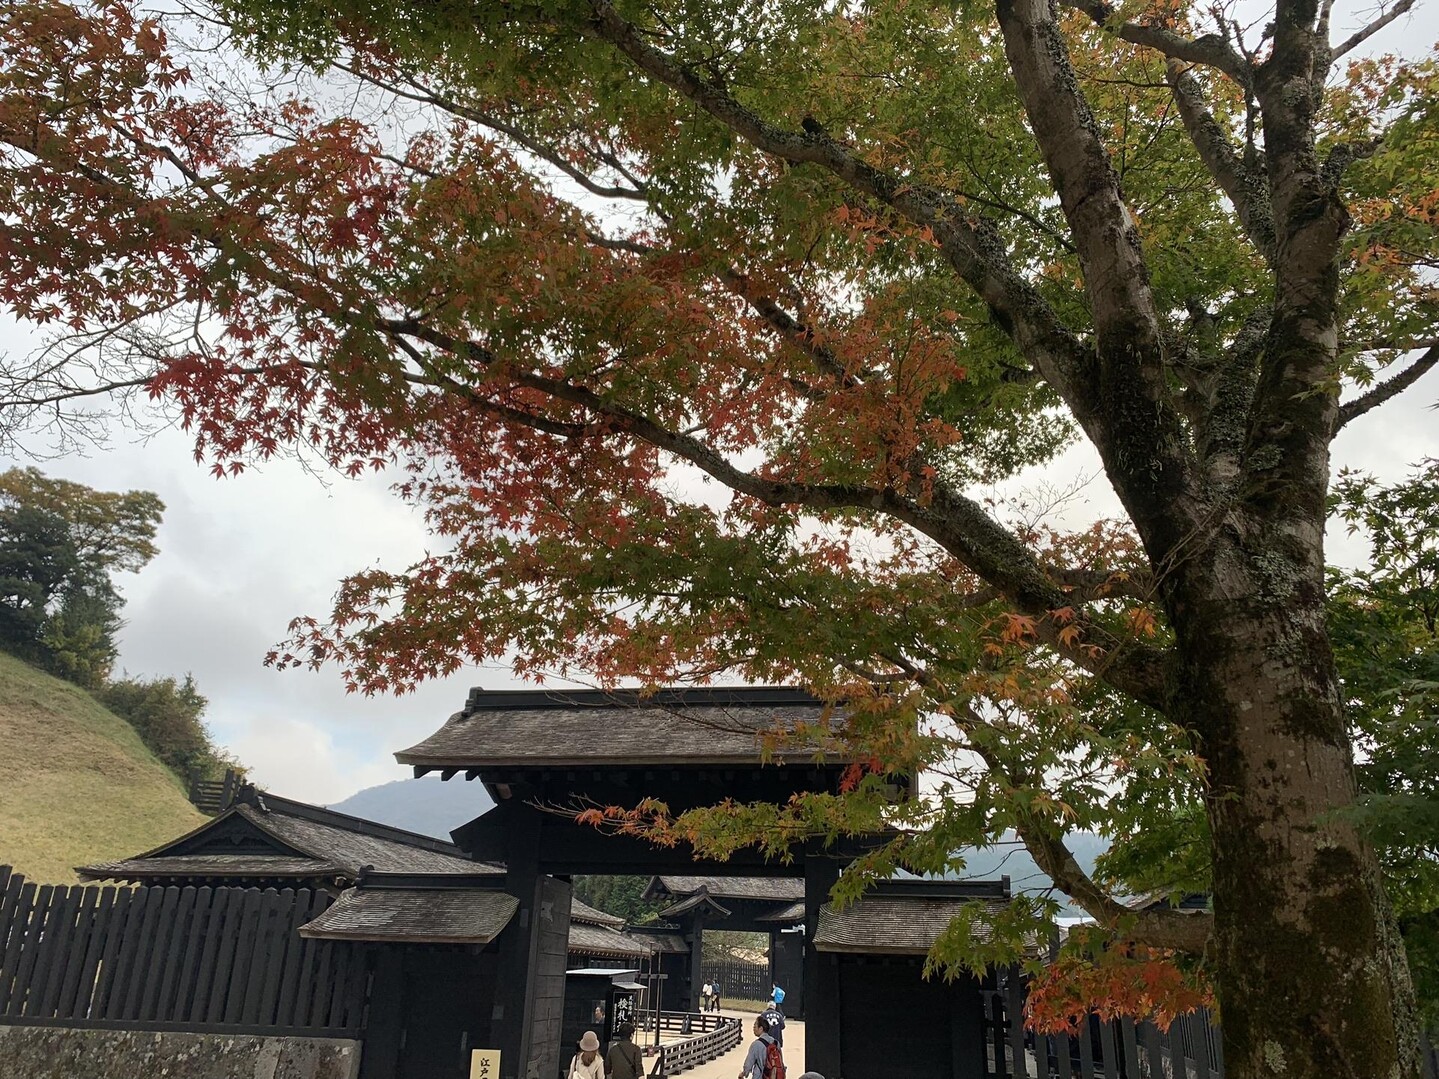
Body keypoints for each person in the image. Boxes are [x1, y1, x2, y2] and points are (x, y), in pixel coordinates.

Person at [737, 1014, 784, 1079]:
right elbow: (781, 1061)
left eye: (755, 1026)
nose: (753, 1028)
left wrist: (743, 1073)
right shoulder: (776, 1043)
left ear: (761, 1028)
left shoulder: (756, 1044)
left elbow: (748, 1064)